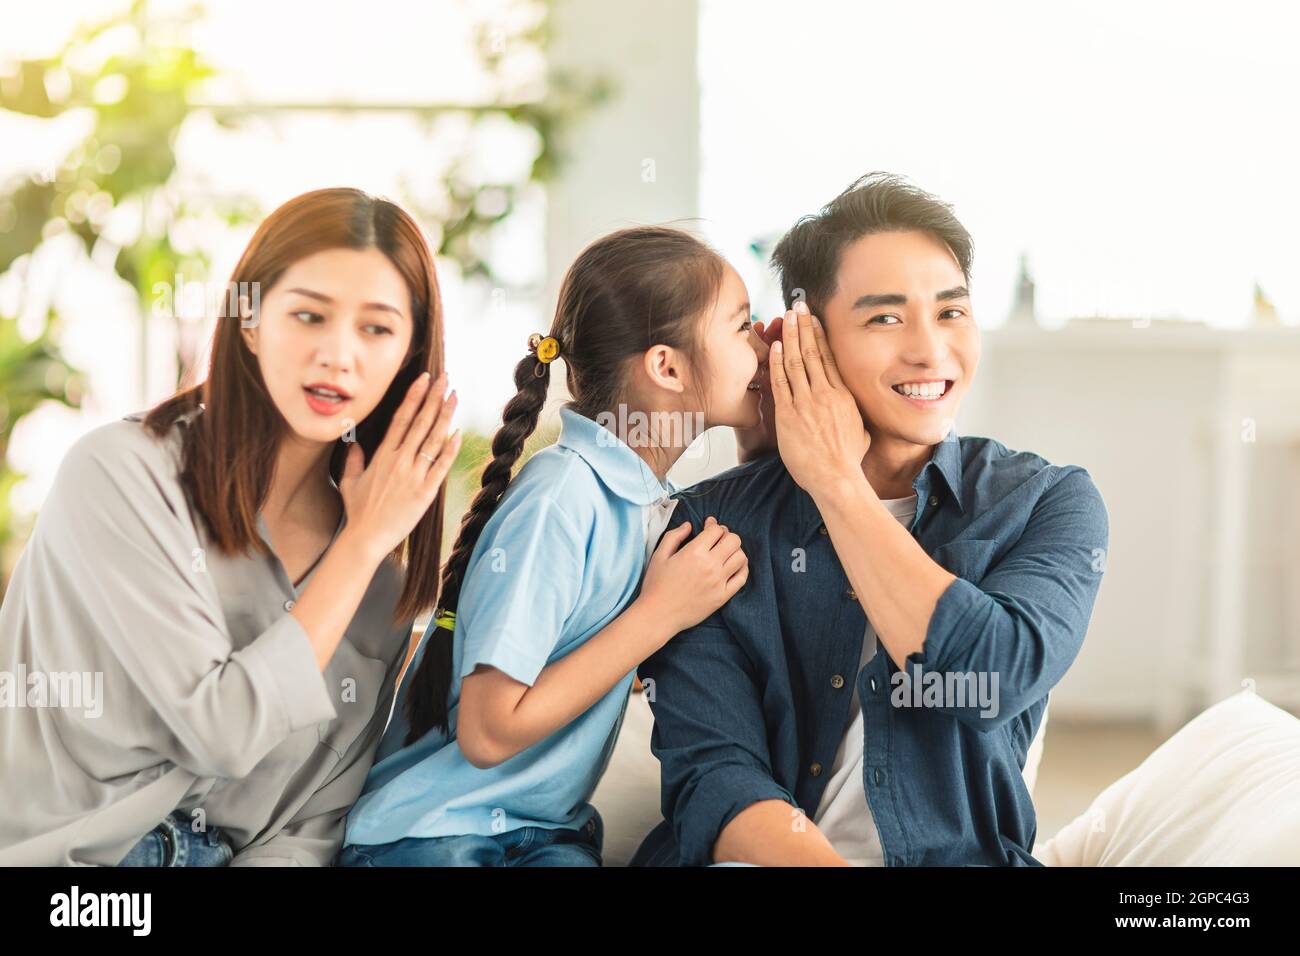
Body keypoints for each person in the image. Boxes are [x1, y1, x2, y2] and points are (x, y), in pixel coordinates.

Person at [631, 173, 1110, 867]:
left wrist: (836, 487)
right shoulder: (709, 527)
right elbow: (716, 779)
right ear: (806, 340)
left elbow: (994, 678)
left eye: (951, 312)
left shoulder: (1045, 502)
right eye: (885, 318)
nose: (928, 351)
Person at [0, 187, 461, 866]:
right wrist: (362, 545)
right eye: (308, 315)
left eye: (376, 328)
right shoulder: (122, 476)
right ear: (248, 321)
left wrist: (363, 549)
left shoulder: (376, 582)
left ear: (408, 354)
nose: (338, 355)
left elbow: (308, 828)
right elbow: (220, 730)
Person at [338, 226, 760, 866]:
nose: (763, 341)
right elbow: (487, 729)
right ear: (667, 367)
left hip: (542, 836)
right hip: (436, 835)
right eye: (743, 324)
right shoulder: (562, 498)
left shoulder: (651, 504)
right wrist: (659, 615)